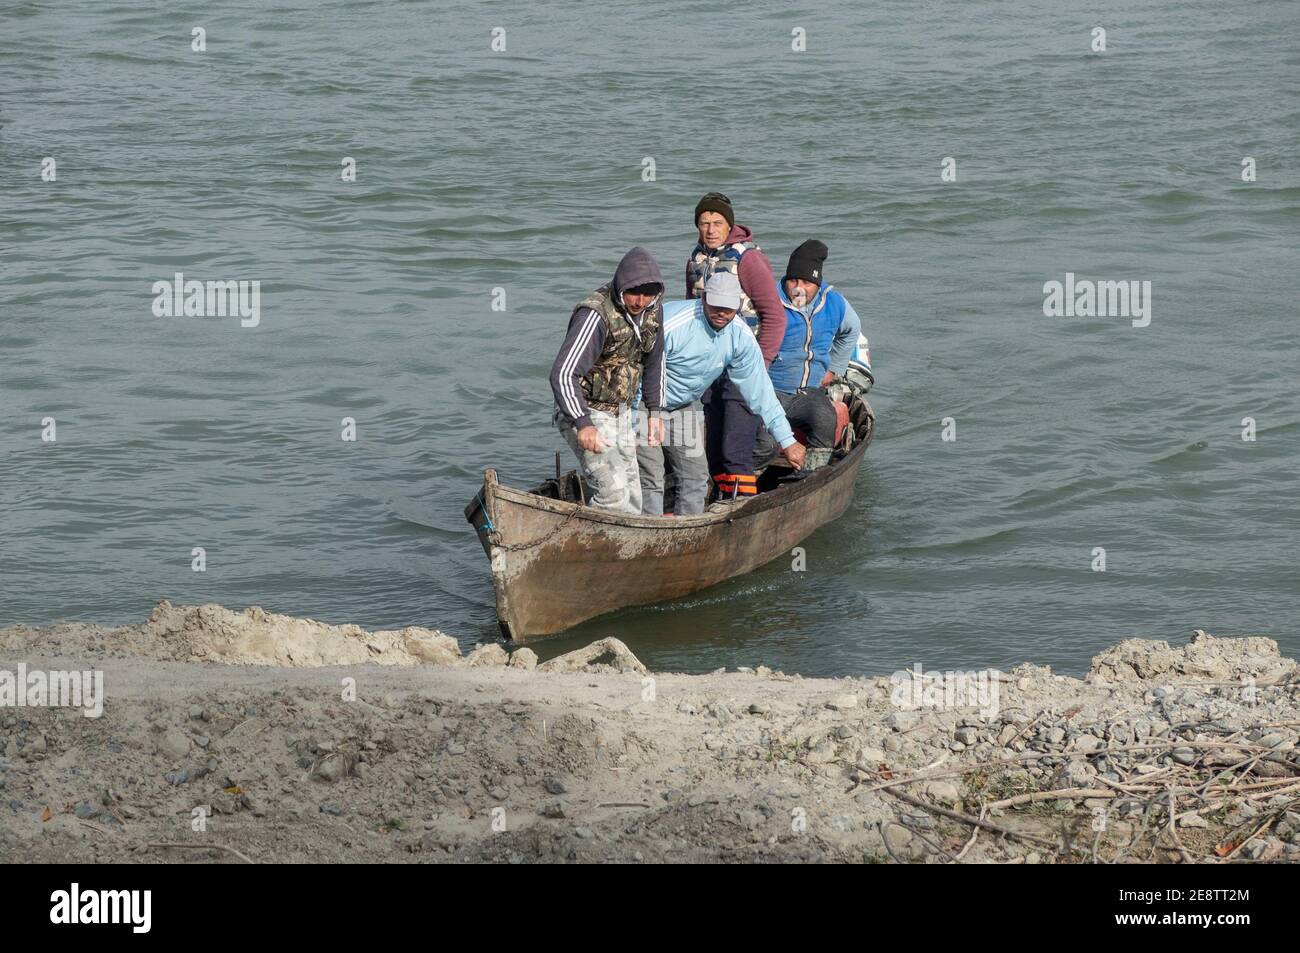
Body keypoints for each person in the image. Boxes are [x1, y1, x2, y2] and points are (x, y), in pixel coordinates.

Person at [638, 273, 805, 513]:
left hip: (681, 406)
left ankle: (689, 534)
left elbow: (761, 392)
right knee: (651, 476)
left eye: (728, 308)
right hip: (643, 403)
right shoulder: (671, 324)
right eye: (715, 306)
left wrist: (787, 440)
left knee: (696, 476)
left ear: (737, 307)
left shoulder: (740, 337)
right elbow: (636, 369)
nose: (721, 313)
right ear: (704, 298)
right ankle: (649, 537)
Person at [686, 192, 788, 498]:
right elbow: (692, 313)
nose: (711, 229)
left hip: (744, 366)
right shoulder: (695, 260)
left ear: (729, 225)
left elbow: (774, 315)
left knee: (735, 449)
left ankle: (741, 507)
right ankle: (722, 501)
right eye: (704, 223)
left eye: (718, 222)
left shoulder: (748, 258)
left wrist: (762, 364)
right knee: (714, 448)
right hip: (709, 367)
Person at [549, 247, 666, 514]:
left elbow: (656, 362)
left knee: (633, 497)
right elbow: (563, 373)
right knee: (613, 492)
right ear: (620, 287)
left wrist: (656, 413)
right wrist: (583, 424)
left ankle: (627, 552)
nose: (639, 301)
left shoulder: (652, 311)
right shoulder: (595, 315)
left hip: (621, 412)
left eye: (647, 294)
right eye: (633, 292)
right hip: (586, 409)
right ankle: (592, 550)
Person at [753, 239, 864, 471]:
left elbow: (852, 330)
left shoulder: (834, 303)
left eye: (806, 282)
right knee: (766, 442)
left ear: (818, 283)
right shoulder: (767, 301)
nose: (798, 288)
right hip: (770, 390)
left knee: (825, 418)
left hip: (808, 392)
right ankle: (745, 483)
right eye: (793, 280)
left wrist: (834, 368)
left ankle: (810, 474)